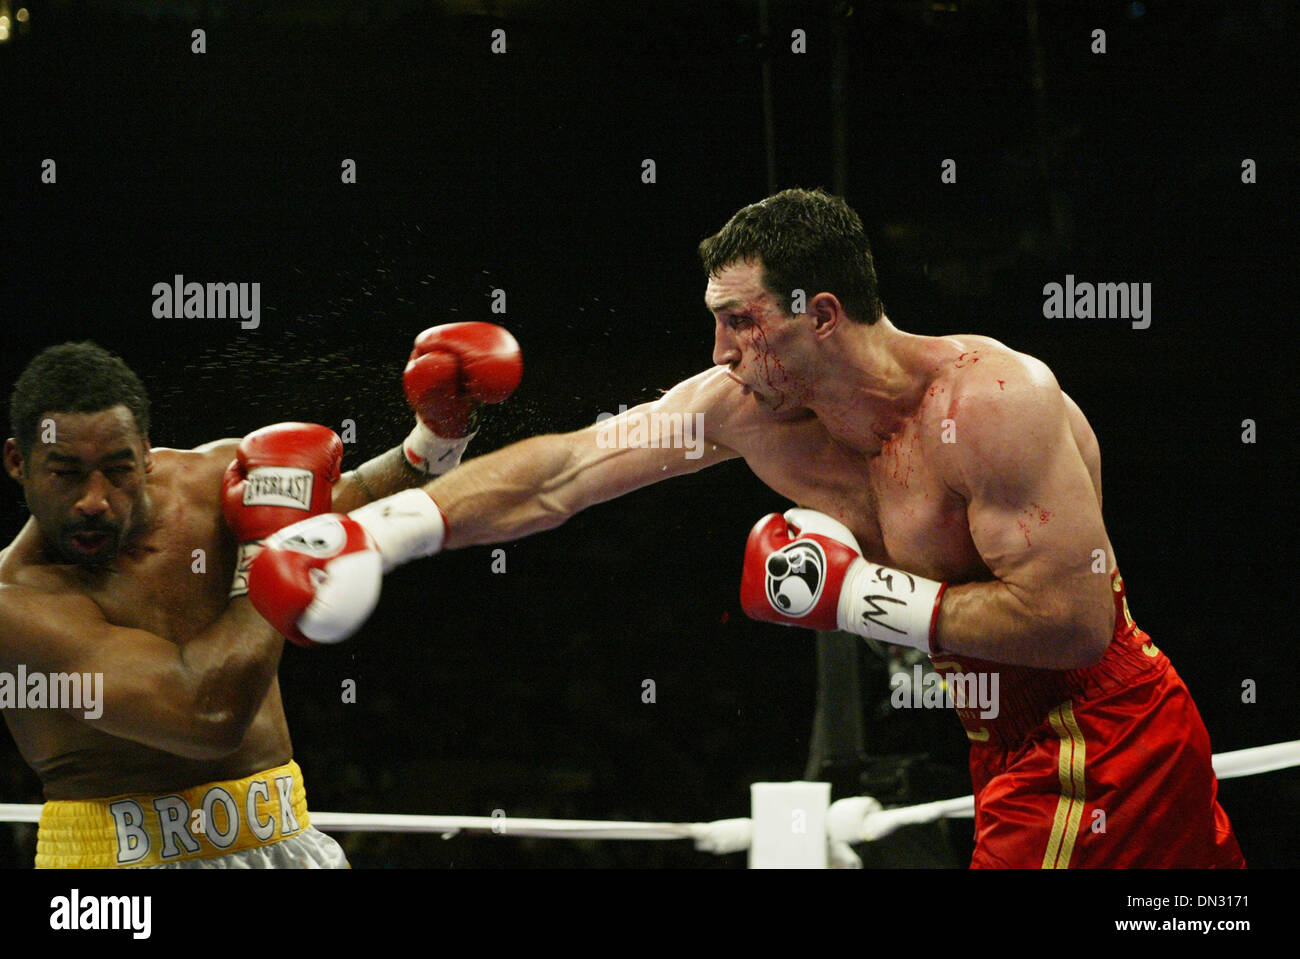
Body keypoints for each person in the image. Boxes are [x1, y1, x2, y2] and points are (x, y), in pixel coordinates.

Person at [252, 188, 1244, 868]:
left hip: (1097, 740)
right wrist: (383, 531)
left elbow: (1071, 623)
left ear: (822, 315)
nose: (720, 349)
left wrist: (858, 597)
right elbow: (564, 474)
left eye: (740, 319)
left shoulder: (989, 402)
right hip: (1006, 739)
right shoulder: (743, 409)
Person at [0, 324, 522, 868]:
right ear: (17, 461)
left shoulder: (213, 480)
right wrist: (270, 547)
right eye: (66, 473)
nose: (94, 500)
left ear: (146, 454)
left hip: (284, 839)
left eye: (117, 470)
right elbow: (207, 717)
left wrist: (436, 437)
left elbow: (354, 503)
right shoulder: (14, 605)